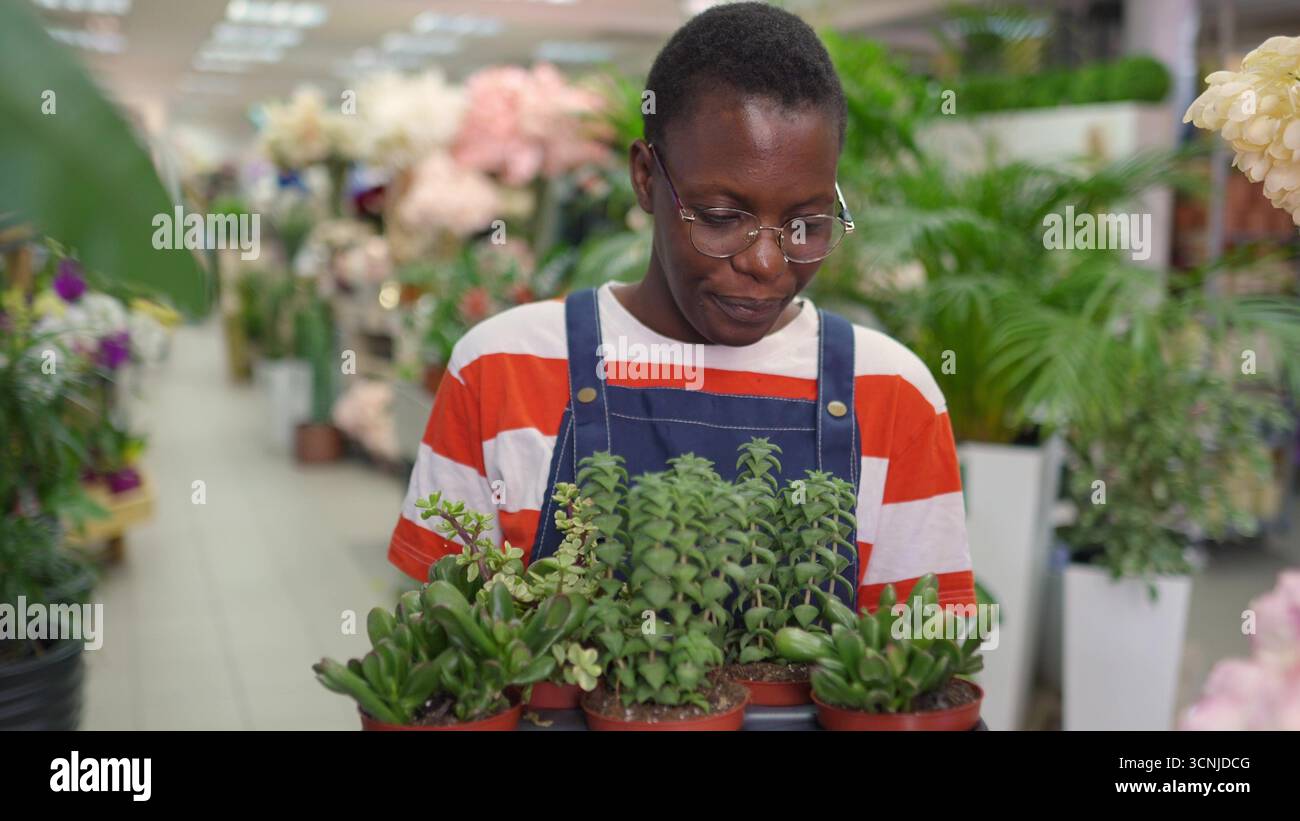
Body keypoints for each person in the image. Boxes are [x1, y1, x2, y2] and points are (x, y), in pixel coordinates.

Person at [388, 2, 975, 613]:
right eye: (723, 218)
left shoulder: (891, 393)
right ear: (645, 177)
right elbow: (443, 656)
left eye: (807, 223)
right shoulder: (502, 367)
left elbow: (917, 673)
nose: (768, 263)